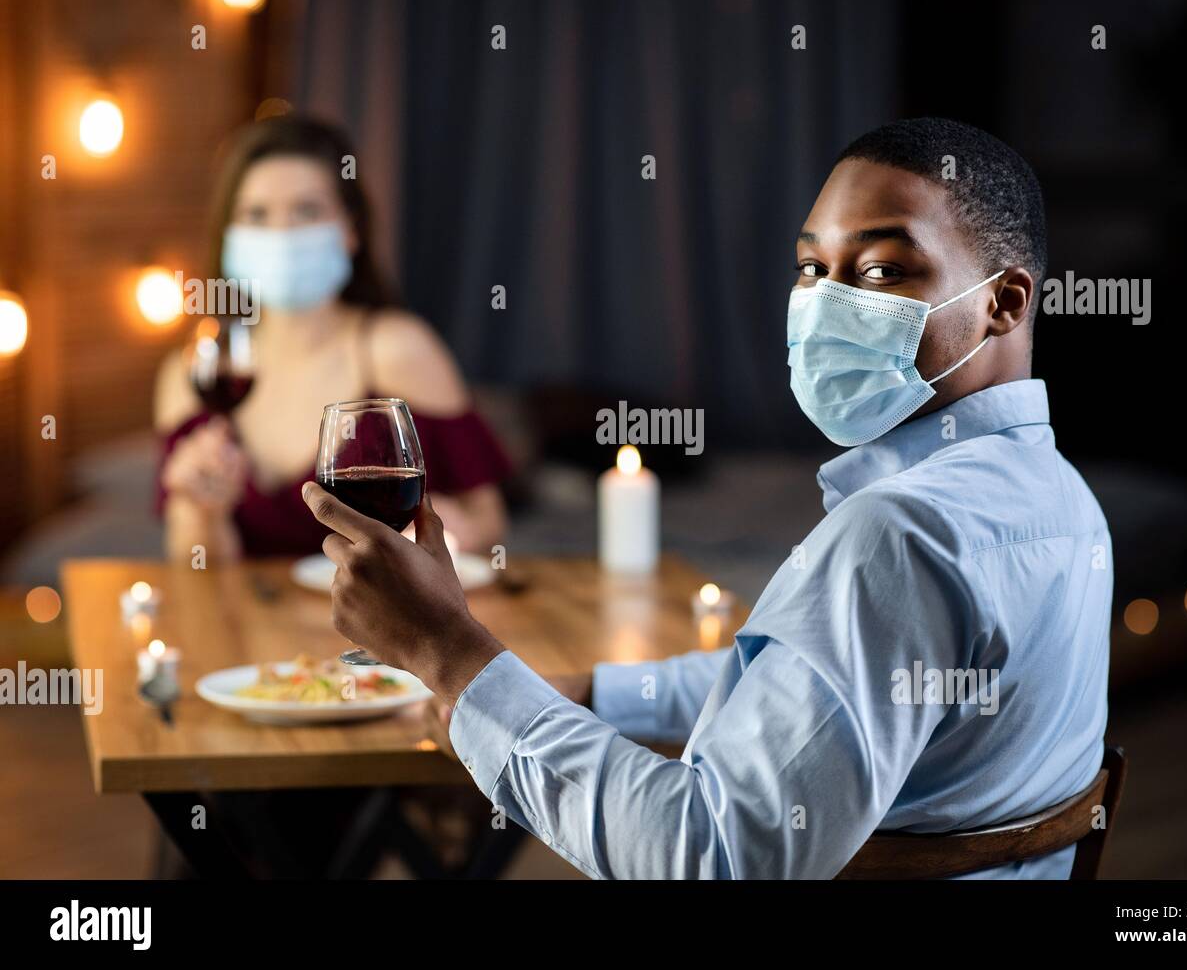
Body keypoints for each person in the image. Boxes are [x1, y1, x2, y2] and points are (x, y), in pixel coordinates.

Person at [303, 117, 1112, 879]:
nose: (827, 303)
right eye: (810, 268)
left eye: (878, 271)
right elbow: (808, 689)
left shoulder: (900, 535)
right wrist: (591, 691)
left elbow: (711, 854)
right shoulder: (1062, 500)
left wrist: (450, 655)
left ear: (1003, 301)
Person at [155, 115, 510, 560]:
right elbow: (196, 566)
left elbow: (490, 527)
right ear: (229, 237)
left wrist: (454, 533)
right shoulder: (192, 372)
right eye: (257, 214)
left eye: (307, 210)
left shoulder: (398, 350)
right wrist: (204, 513)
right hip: (250, 627)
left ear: (351, 230)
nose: (281, 233)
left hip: (385, 626)